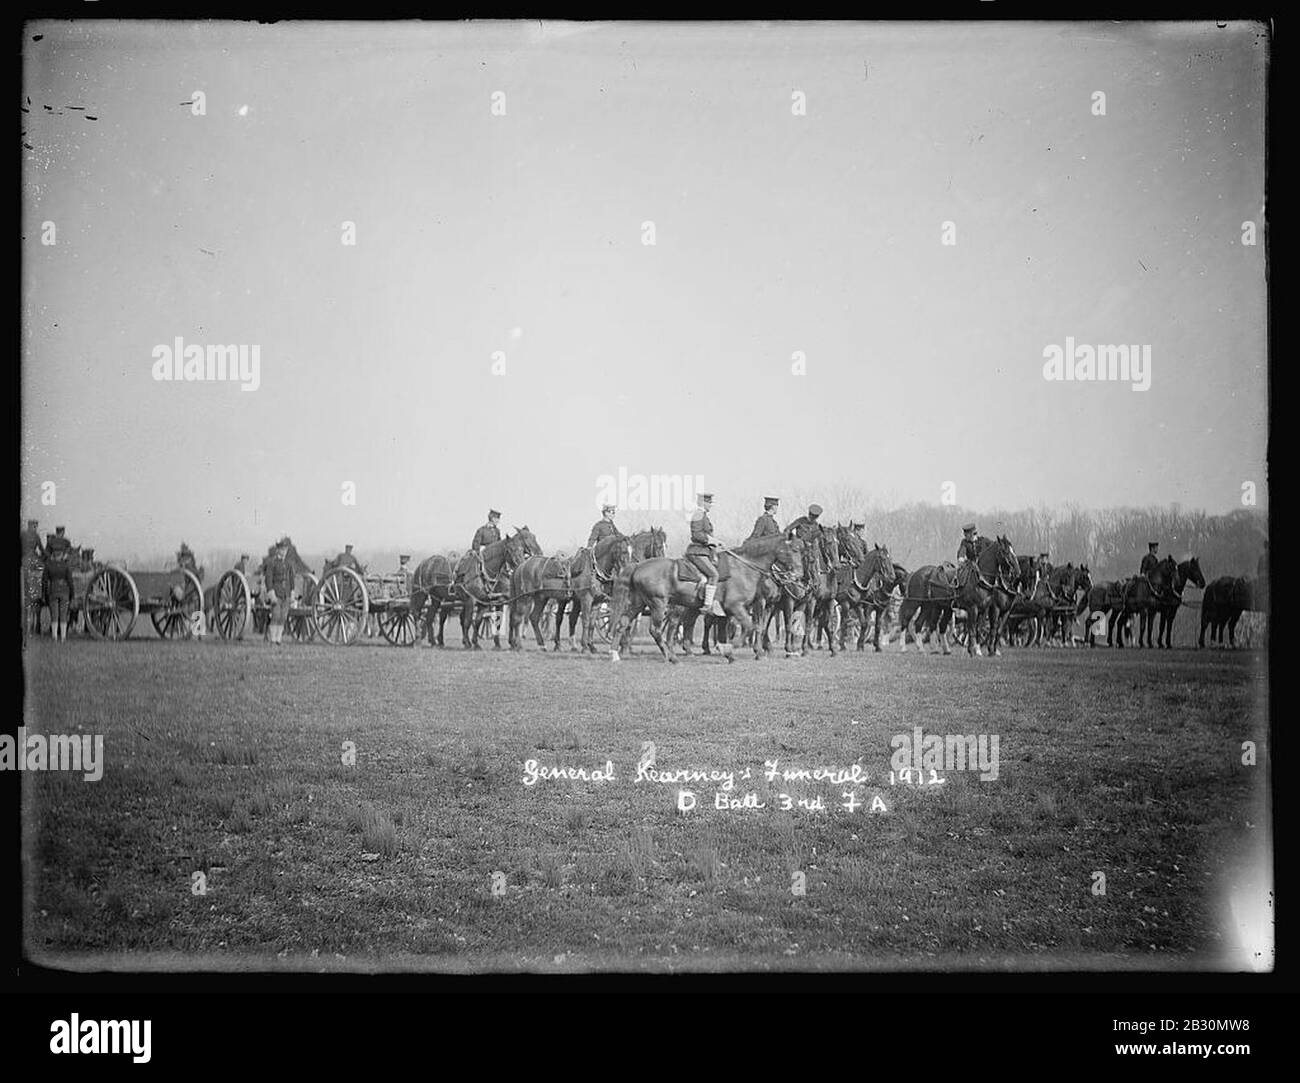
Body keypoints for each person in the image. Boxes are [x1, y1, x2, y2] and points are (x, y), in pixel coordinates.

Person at [686, 493, 720, 613]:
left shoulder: (703, 515)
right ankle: (707, 605)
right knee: (714, 575)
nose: (711, 505)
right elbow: (696, 534)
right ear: (703, 503)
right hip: (697, 551)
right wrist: (711, 540)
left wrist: (716, 543)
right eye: (709, 502)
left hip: (704, 551)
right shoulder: (698, 514)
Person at [263, 539, 295, 646]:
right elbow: (268, 579)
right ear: (278, 550)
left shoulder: (288, 563)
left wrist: (292, 592)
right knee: (276, 616)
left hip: (286, 594)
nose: (284, 551)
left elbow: (291, 579)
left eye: (285, 549)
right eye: (282, 549)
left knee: (283, 617)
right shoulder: (272, 562)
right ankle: (272, 639)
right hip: (276, 593)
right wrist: (271, 593)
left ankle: (278, 639)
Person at [43, 539, 75, 642]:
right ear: (62, 554)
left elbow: (44, 581)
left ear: (53, 553)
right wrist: (72, 594)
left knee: (54, 615)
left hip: (52, 591)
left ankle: (54, 637)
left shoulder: (48, 565)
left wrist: (44, 594)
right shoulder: (66, 566)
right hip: (65, 591)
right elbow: (70, 581)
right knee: (63, 614)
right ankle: (63, 637)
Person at [955, 522, 981, 589]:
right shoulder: (965, 542)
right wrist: (961, 558)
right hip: (972, 566)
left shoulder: (982, 541)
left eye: (967, 535)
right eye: (965, 535)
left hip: (983, 564)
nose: (965, 536)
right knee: (963, 575)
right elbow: (962, 550)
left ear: (972, 534)